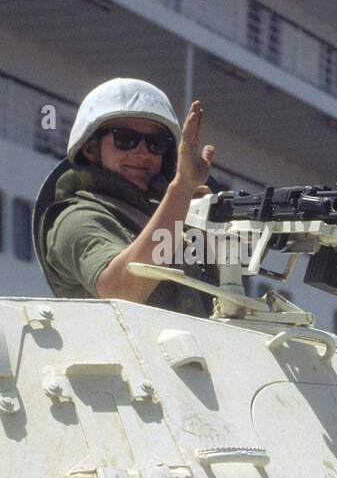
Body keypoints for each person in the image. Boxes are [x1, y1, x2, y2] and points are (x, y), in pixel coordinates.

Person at [36, 78, 218, 317]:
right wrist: (182, 187)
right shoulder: (76, 219)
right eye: (125, 139)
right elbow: (122, 292)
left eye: (156, 143)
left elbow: (227, 304)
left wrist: (208, 228)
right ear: (90, 149)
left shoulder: (175, 222)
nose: (142, 152)